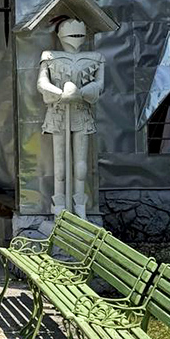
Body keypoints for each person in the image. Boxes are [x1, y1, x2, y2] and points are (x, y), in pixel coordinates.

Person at [37, 16, 104, 218]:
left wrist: (80, 93)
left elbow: (100, 85)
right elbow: (42, 83)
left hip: (80, 110)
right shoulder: (50, 56)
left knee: (80, 163)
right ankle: (59, 204)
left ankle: (80, 205)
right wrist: (60, 94)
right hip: (59, 111)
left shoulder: (95, 57)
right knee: (60, 163)